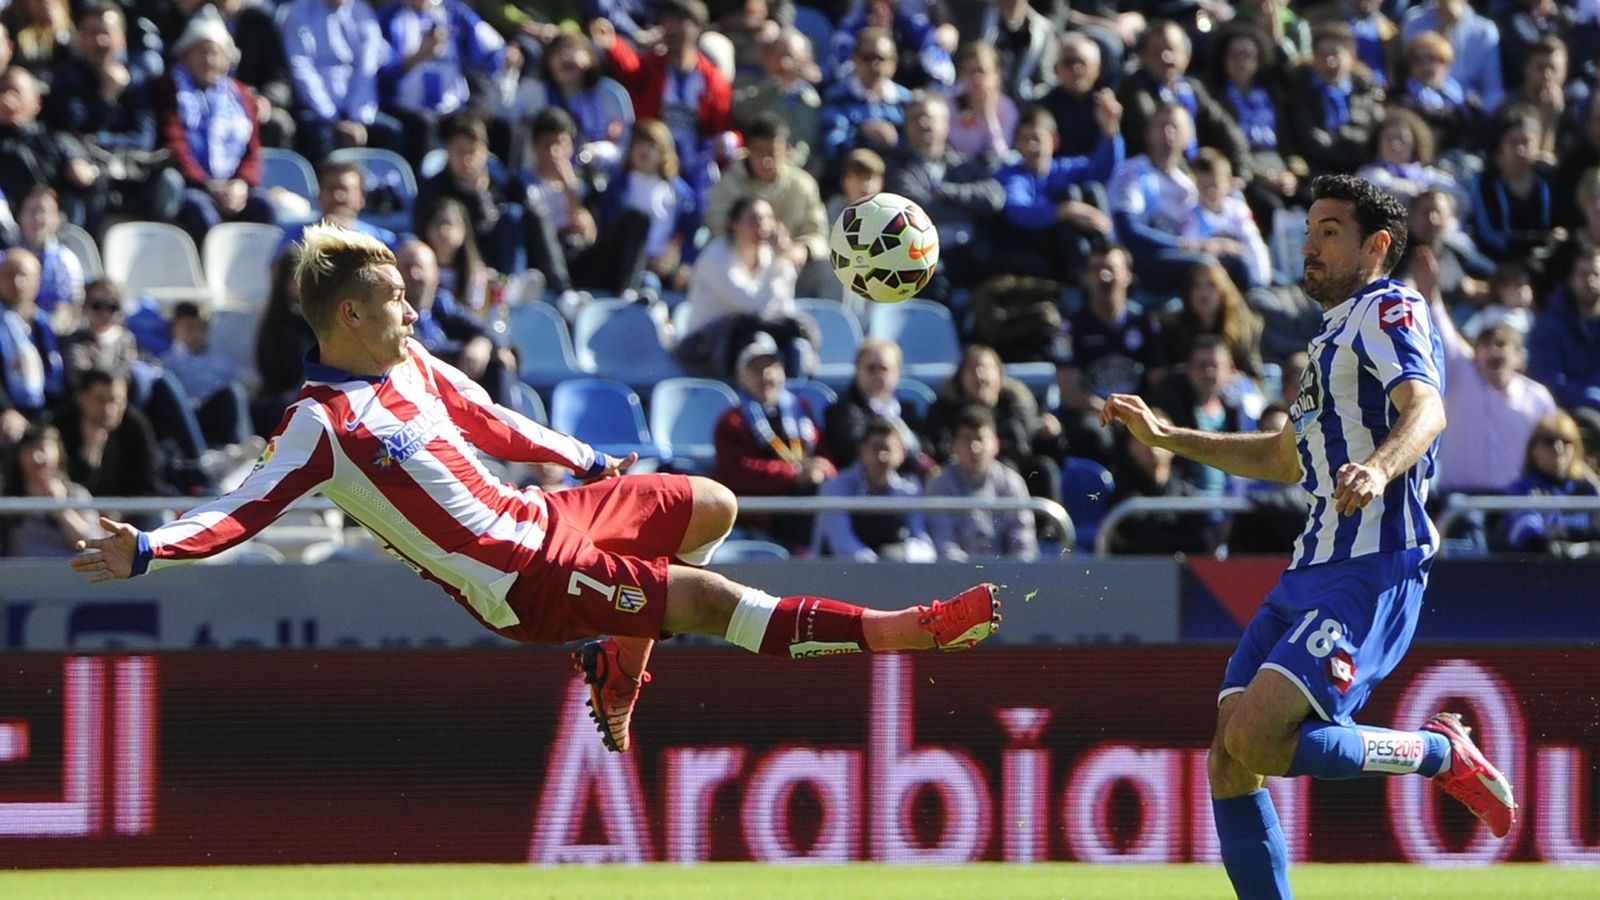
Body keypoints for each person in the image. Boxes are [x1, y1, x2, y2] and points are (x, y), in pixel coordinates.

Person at [68, 223, 1003, 758]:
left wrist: (584, 460)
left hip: (549, 513)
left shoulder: (412, 365)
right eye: (397, 300)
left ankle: (619, 672)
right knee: (712, 602)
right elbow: (243, 507)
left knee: (712, 506)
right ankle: (903, 631)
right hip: (525, 582)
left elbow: (488, 420)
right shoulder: (321, 424)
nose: (414, 310)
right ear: (348, 313)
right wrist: (148, 547)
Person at [1099, 174, 1516, 900]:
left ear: (1376, 245)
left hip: (1373, 564)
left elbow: (1427, 409)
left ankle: (1437, 753)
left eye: (1329, 232)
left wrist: (1380, 468)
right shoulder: (1332, 335)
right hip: (1310, 567)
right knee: (1230, 758)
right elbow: (1283, 458)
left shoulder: (1388, 307)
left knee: (1258, 738)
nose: (1310, 247)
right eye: (1309, 231)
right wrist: (1168, 436)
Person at [712, 331, 835, 548]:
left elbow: (822, 450)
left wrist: (822, 468)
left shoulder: (800, 409)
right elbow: (735, 470)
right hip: (766, 509)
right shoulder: (732, 421)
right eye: (756, 369)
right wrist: (792, 475)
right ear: (742, 376)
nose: (766, 376)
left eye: (772, 367)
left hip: (806, 494)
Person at [924, 405, 1038, 562]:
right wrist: (973, 573)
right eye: (967, 439)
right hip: (956, 574)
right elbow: (944, 544)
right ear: (954, 445)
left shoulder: (1012, 483)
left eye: (980, 439)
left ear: (995, 444)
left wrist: (1009, 573)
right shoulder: (939, 484)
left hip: (1007, 572)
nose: (974, 448)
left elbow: (1023, 542)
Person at [812, 417, 935, 562]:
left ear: (902, 453)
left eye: (887, 449)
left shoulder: (910, 490)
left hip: (892, 571)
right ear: (862, 450)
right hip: (836, 572)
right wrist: (879, 566)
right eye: (876, 448)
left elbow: (924, 546)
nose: (882, 456)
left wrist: (903, 553)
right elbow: (843, 545)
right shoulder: (834, 488)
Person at [822, 338, 930, 476]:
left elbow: (927, 450)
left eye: (884, 368)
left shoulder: (908, 410)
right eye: (871, 368)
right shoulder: (842, 411)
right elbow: (854, 453)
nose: (878, 375)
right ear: (857, 370)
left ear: (897, 372)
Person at [1501, 411, 1600, 553]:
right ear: (1533, 449)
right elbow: (1529, 538)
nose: (1559, 449)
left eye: (1566, 441)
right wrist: (1580, 537)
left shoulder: (1587, 488)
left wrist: (1563, 533)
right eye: (1549, 441)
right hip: (1543, 565)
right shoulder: (1520, 490)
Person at [2, 422, 104, 557]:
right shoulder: (9, 495)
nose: (37, 458)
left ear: (58, 454)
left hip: (66, 568)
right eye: (30, 449)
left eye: (42, 448)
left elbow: (94, 546)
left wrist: (62, 510)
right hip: (21, 569)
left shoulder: (76, 493)